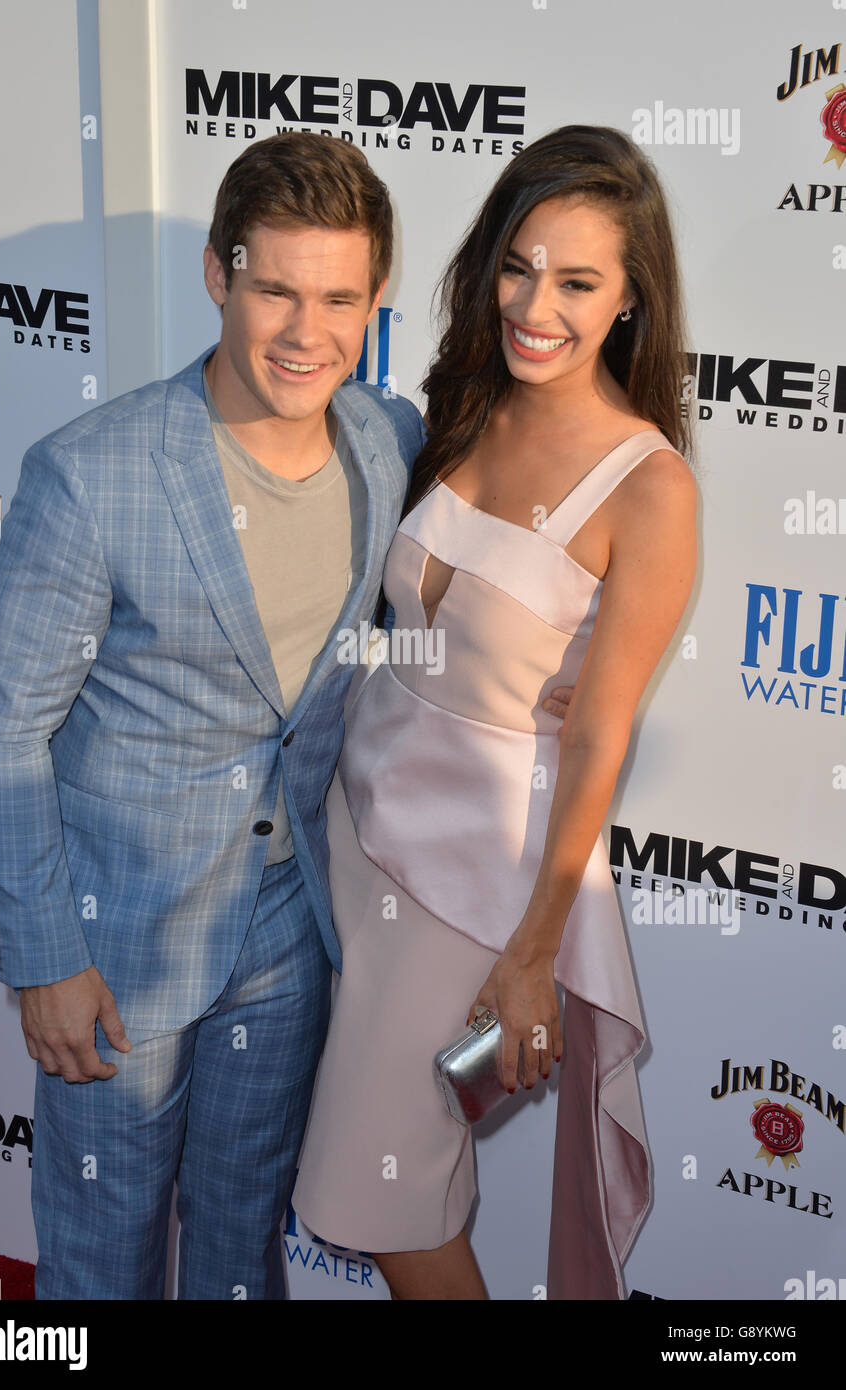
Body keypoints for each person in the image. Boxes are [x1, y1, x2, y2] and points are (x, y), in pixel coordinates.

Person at [0, 131, 573, 1300]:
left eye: (339, 297)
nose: (306, 331)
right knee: (104, 1260)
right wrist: (45, 957)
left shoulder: (387, 442)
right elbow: (1, 731)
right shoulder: (94, 471)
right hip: (119, 950)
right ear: (218, 274)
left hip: (290, 937)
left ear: (375, 298)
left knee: (242, 1249)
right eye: (275, 289)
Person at [292, 124, 698, 1300]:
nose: (536, 304)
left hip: (474, 886)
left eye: (577, 281)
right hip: (350, 824)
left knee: (377, 1201)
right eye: (518, 266)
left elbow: (601, 733)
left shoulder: (649, 487)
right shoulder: (467, 401)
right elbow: (411, 625)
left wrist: (533, 957)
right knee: (410, 1181)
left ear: (629, 299)